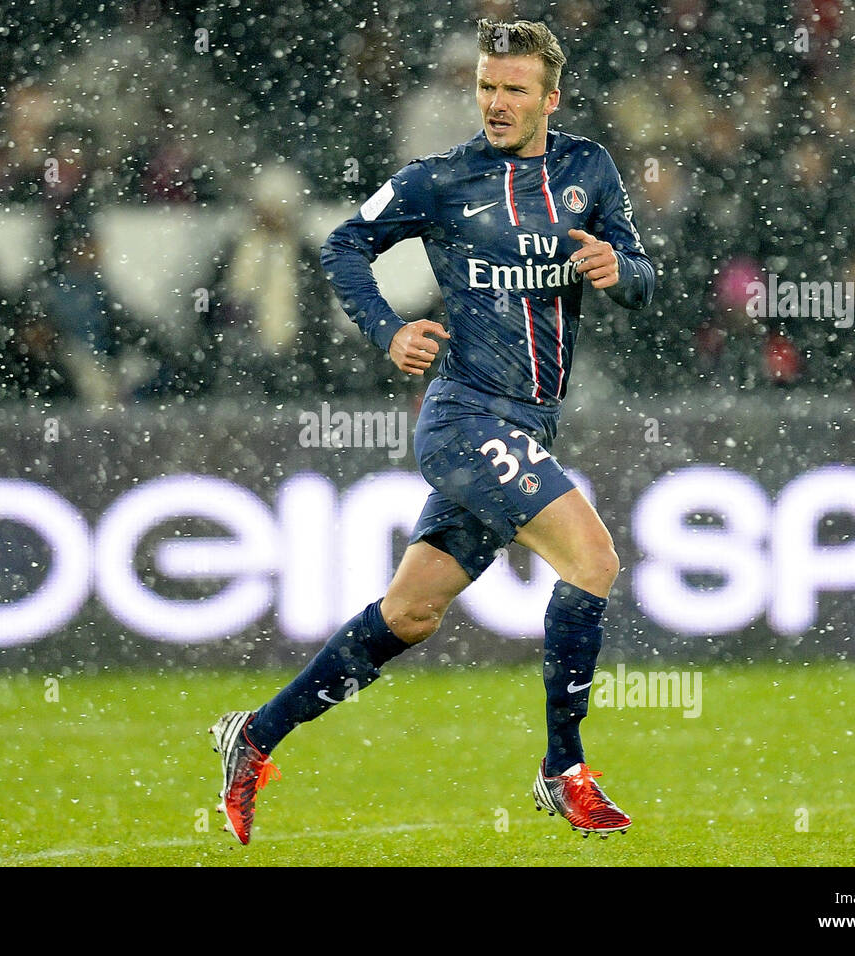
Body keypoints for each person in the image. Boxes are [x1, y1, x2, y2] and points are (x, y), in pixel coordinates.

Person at [210, 18, 655, 845]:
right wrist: (387, 330)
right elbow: (345, 244)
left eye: (514, 88)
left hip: (530, 425)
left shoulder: (589, 170)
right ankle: (564, 770)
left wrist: (617, 270)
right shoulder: (441, 180)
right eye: (487, 85)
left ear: (549, 98)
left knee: (410, 615)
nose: (495, 102)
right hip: (464, 418)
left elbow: (642, 276)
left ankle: (256, 735)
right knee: (593, 560)